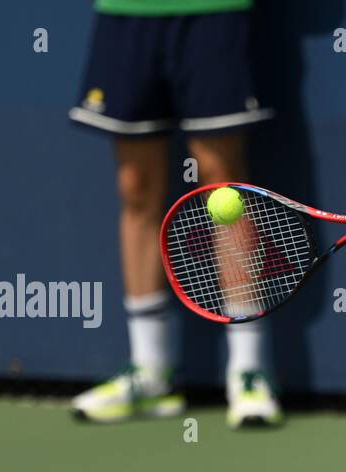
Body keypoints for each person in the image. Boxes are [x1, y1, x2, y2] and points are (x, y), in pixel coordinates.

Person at [68, 0, 281, 428]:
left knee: (224, 186)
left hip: (212, 12)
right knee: (135, 186)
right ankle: (150, 371)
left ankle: (248, 369)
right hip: (127, 14)